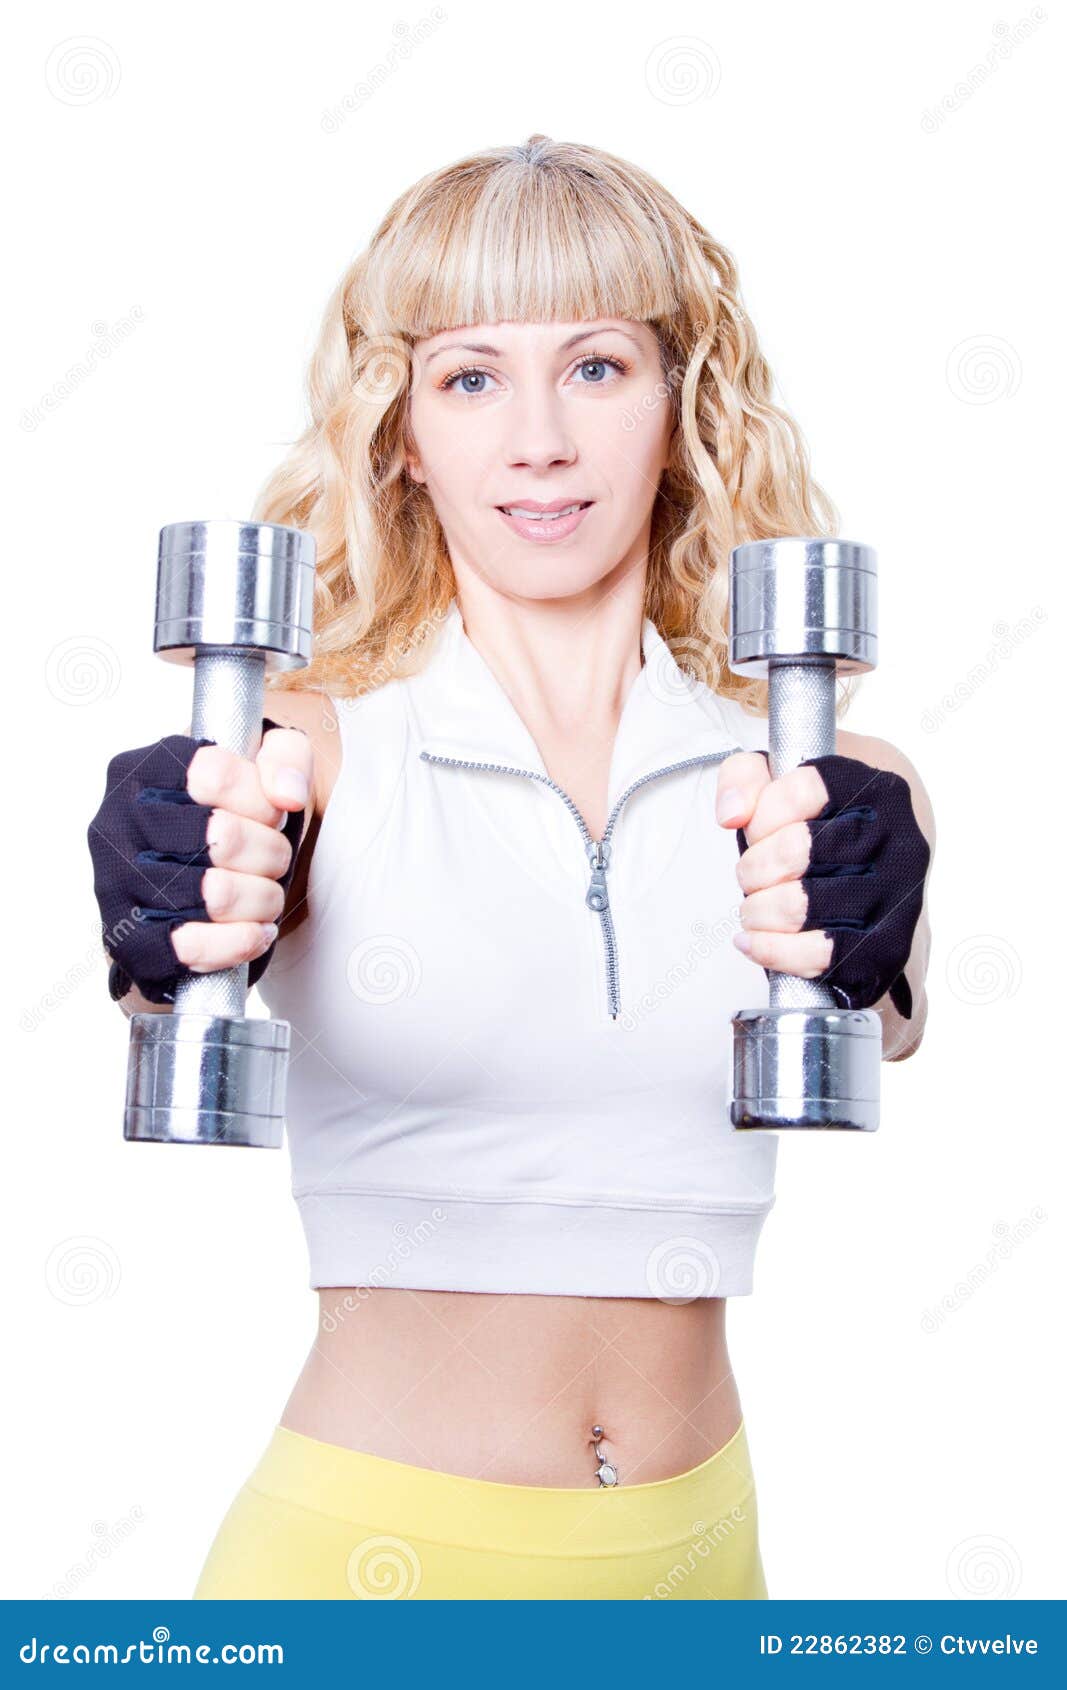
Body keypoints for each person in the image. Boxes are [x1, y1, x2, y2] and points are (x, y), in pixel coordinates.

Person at [87, 135, 935, 1600]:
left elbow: (884, 1013)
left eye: (598, 366)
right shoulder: (305, 752)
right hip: (367, 1568)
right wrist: (163, 925)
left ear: (683, 406)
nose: (539, 439)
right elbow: (181, 965)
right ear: (402, 431)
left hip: (699, 1562)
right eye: (472, 377)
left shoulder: (827, 788)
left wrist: (872, 937)